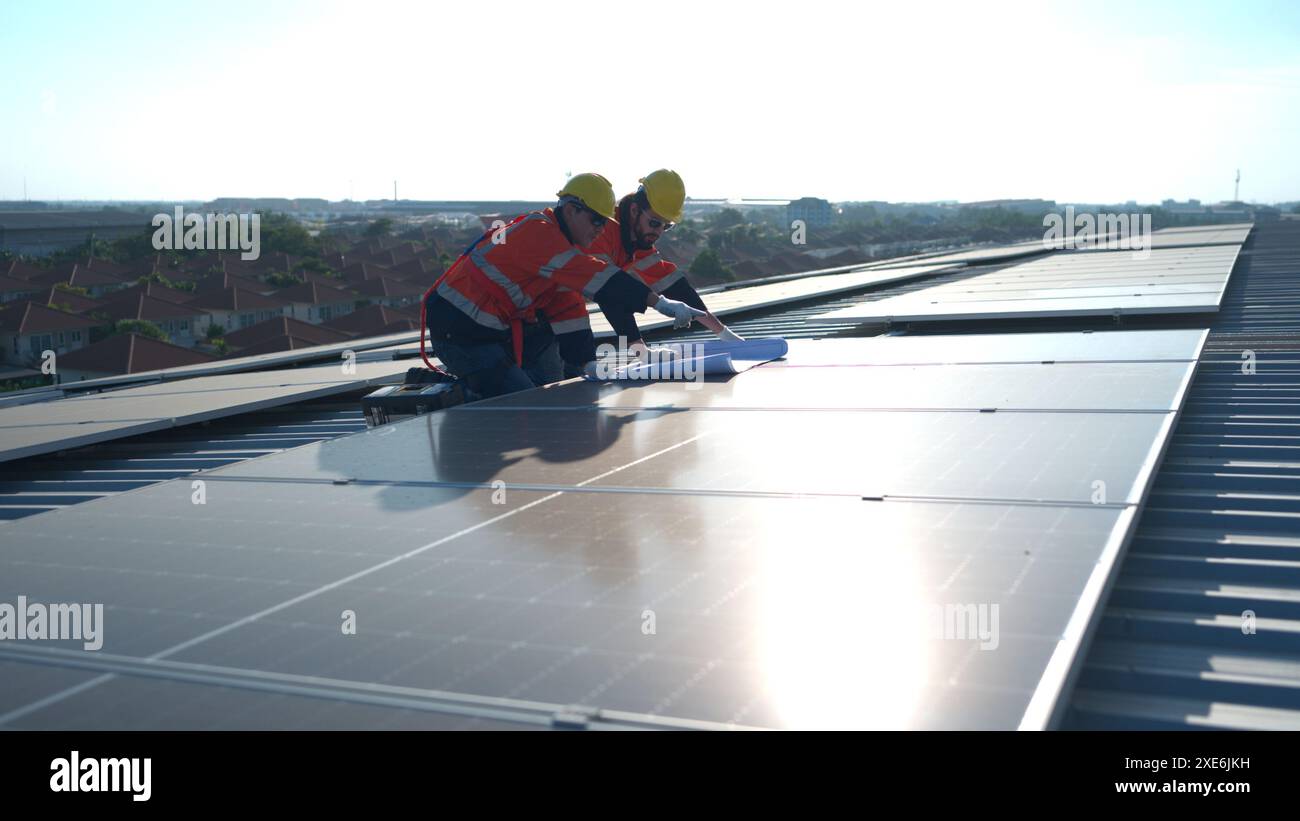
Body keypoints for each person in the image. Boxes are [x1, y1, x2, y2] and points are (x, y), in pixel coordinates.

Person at [420, 173, 705, 398]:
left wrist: (586, 364)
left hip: (495, 331)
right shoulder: (540, 234)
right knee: (522, 401)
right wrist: (660, 302)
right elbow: (600, 277)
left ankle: (484, 384)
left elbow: (569, 309)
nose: (599, 229)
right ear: (570, 211)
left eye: (604, 223)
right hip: (460, 332)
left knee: (553, 387)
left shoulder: (562, 258)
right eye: (595, 220)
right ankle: (459, 394)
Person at [584, 169, 742, 349]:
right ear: (635, 210)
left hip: (564, 318)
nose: (658, 232)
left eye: (666, 226)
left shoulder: (636, 242)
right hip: (551, 314)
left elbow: (675, 286)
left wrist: (724, 334)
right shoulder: (602, 231)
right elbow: (610, 290)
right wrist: (641, 351)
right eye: (654, 223)